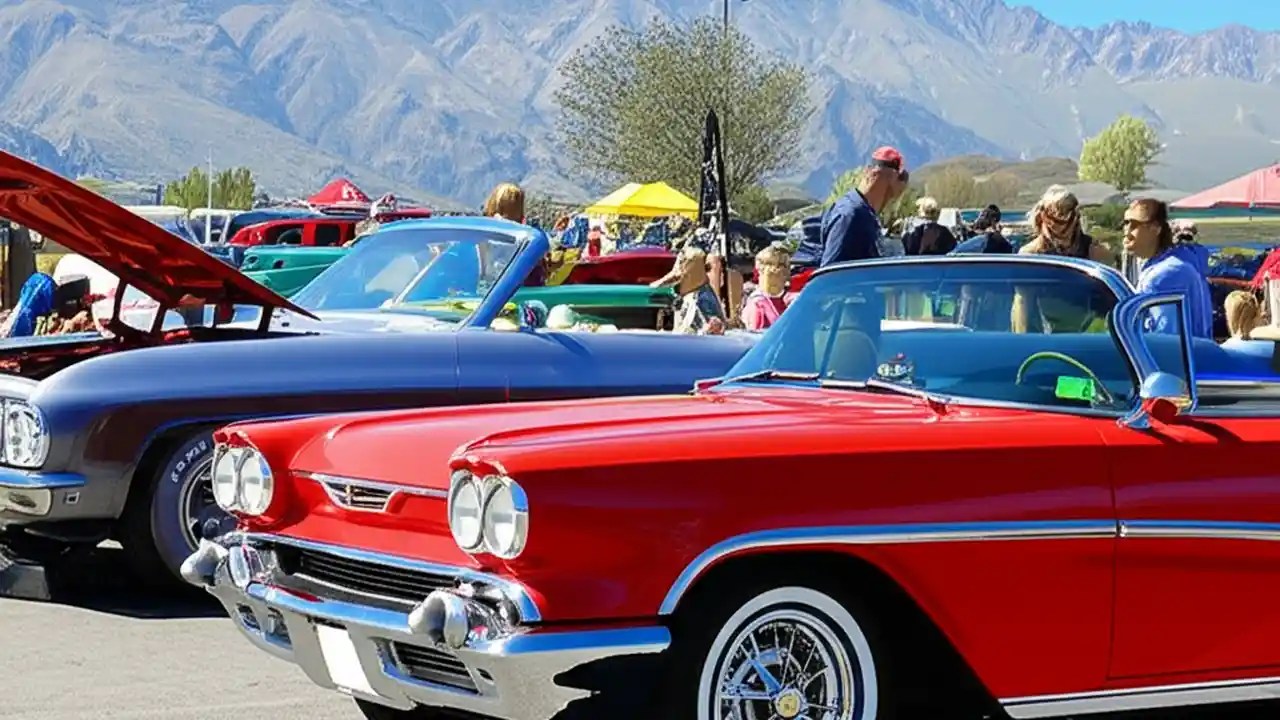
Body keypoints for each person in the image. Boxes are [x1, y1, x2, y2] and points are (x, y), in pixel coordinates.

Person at [1012, 186, 1116, 333]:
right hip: (1045, 337)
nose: (1061, 232)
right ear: (1043, 218)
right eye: (1054, 220)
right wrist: (1023, 344)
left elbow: (1111, 305)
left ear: (1075, 219)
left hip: (1088, 337)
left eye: (1066, 219)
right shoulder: (1031, 256)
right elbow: (1022, 307)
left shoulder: (1096, 253)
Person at [793, 146, 910, 268]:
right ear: (890, 177)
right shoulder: (850, 215)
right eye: (900, 178)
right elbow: (831, 273)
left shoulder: (866, 214)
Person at [1124, 198, 1213, 338]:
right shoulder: (1175, 263)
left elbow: (1167, 341)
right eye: (1126, 223)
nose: (1127, 231)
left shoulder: (1165, 275)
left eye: (1134, 224)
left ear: (1156, 228)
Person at [741, 246, 794, 332]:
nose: (776, 270)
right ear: (759, 271)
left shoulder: (794, 300)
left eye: (781, 266)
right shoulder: (757, 303)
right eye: (770, 265)